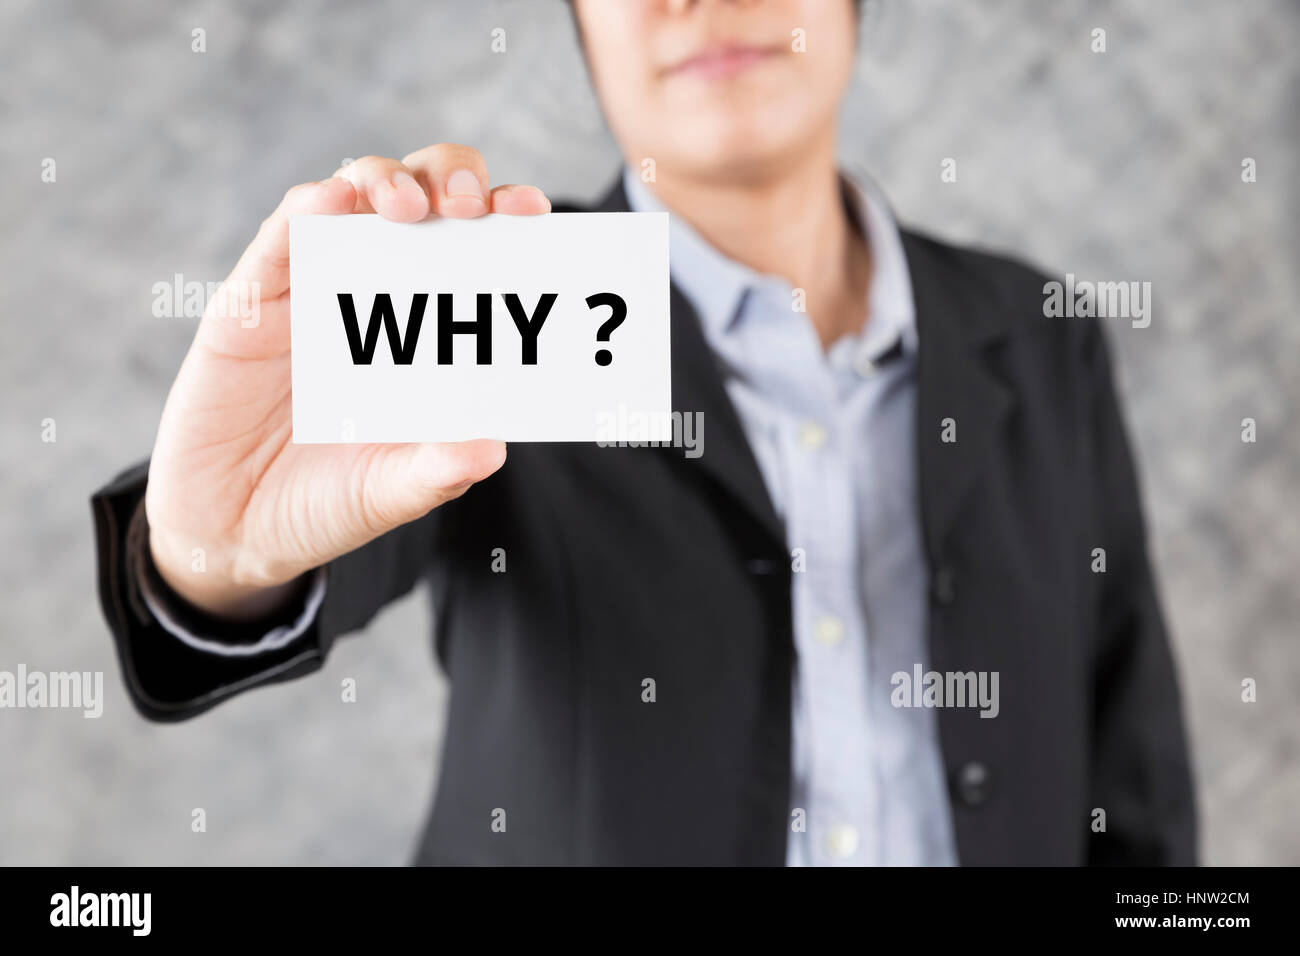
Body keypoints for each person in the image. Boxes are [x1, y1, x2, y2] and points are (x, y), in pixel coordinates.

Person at [91, 0, 1196, 865]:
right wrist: (209, 558)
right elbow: (293, 557)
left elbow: (1129, 768)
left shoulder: (1036, 337)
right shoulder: (498, 297)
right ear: (581, 26)